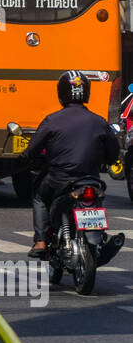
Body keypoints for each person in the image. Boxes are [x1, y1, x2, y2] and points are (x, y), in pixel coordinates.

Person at [13, 70, 124, 261]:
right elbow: (114, 153)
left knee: (39, 195)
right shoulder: (99, 121)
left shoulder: (52, 120)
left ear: (61, 93)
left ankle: (40, 241)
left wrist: (23, 157)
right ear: (86, 93)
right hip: (90, 180)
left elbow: (32, 150)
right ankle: (99, 237)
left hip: (59, 179)